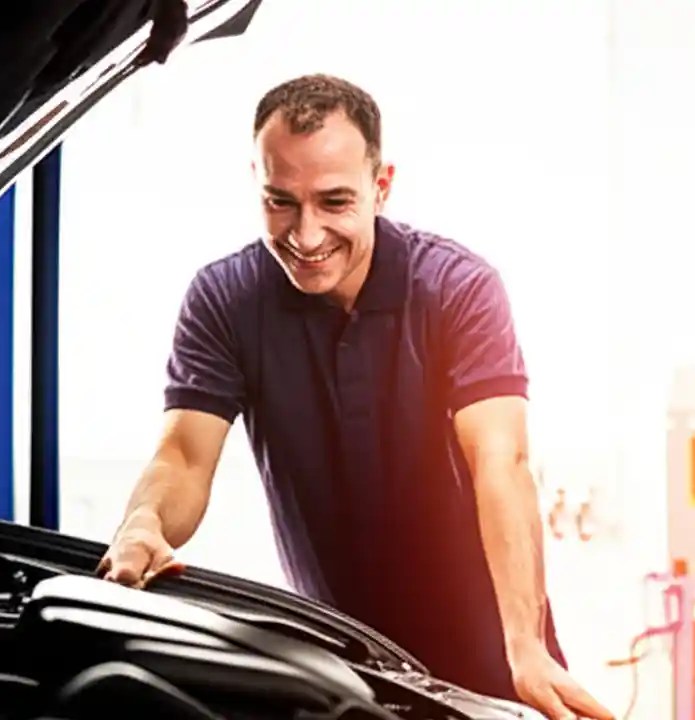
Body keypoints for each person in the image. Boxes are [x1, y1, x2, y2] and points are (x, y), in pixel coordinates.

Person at [96, 73, 613, 720]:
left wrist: (526, 644)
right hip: (340, 663)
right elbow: (184, 456)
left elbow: (501, 465)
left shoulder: (457, 290)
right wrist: (143, 520)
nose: (305, 236)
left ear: (382, 186)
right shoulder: (226, 300)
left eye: (333, 202)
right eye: (280, 202)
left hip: (497, 660)